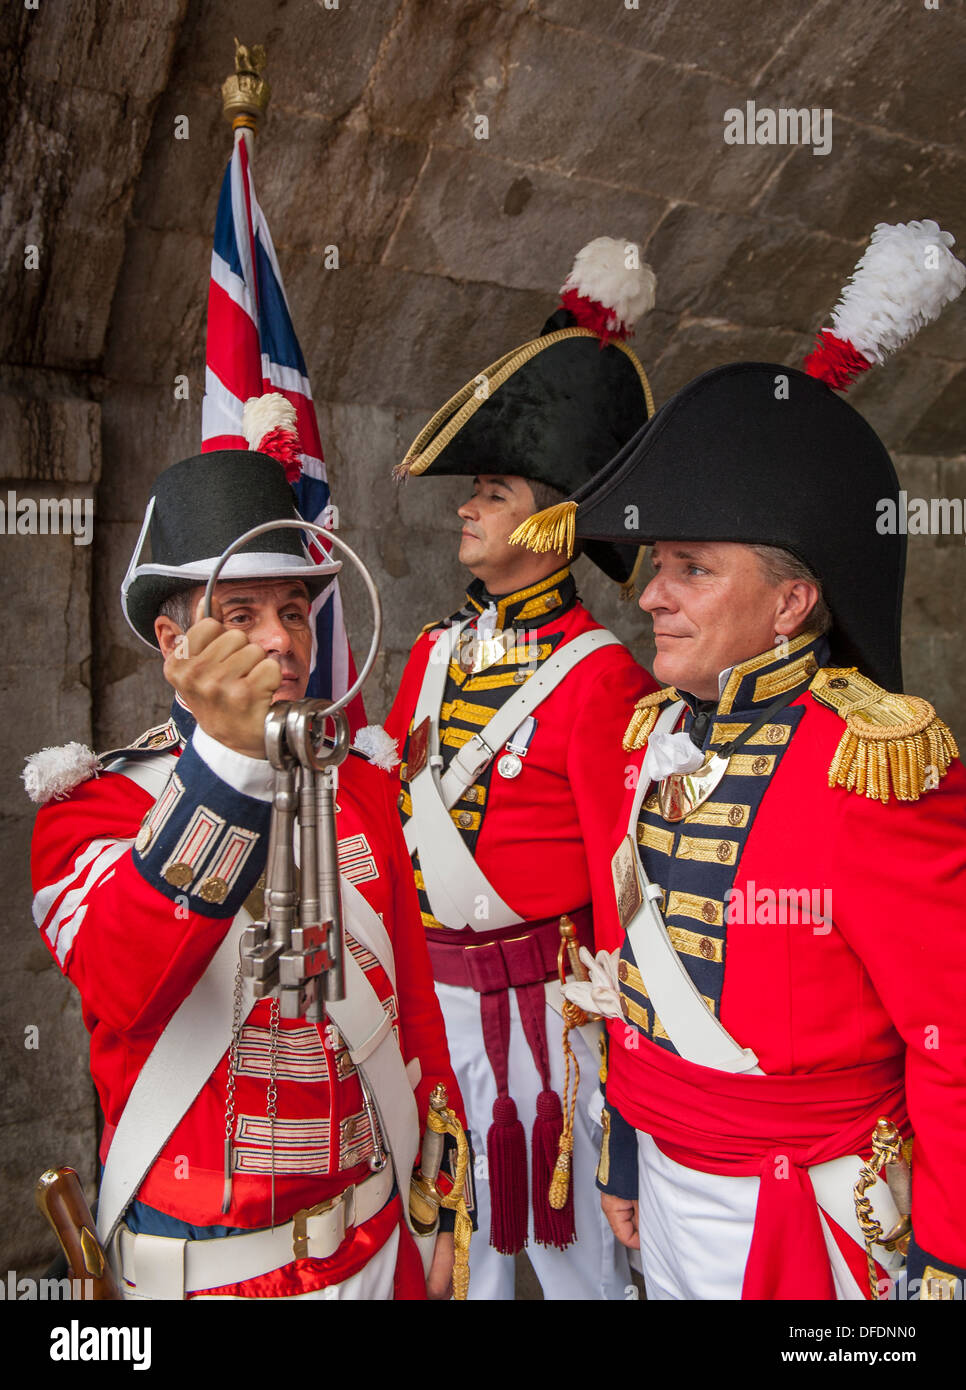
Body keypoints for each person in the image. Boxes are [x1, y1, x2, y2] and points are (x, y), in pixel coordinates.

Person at [534, 221, 966, 1300]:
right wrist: (629, 1146)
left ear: (789, 603)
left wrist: (951, 1255)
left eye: (691, 567)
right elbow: (637, 977)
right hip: (668, 1182)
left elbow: (953, 1036)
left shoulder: (872, 765)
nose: (649, 594)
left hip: (810, 1206)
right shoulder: (657, 736)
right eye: (656, 562)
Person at [27, 444, 467, 1300]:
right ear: (173, 642)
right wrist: (229, 766)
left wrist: (441, 1200)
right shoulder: (92, 805)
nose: (281, 641)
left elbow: (413, 1011)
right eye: (240, 616)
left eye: (294, 611)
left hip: (376, 1242)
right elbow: (125, 981)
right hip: (206, 1272)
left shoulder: (367, 788)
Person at [384, 238, 659, 1299]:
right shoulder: (432, 653)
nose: (465, 507)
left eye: (490, 491)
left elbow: (616, 889)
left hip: (551, 1014)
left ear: (549, 517)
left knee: (576, 1252)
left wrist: (618, 1060)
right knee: (462, 1251)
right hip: (436, 1006)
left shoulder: (600, 681)